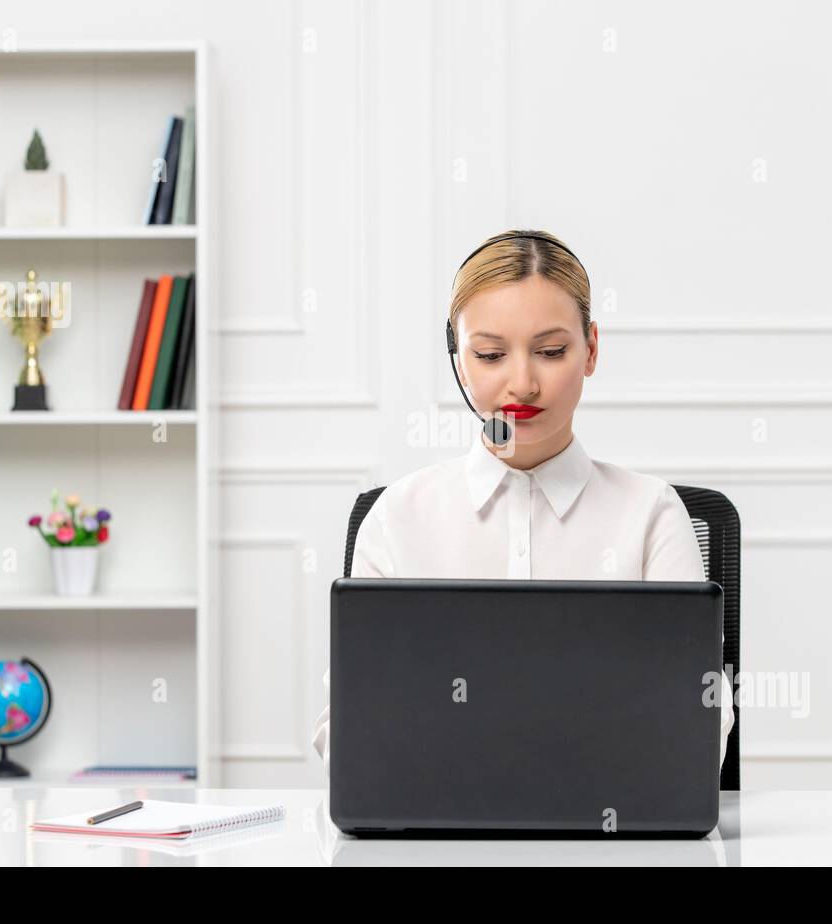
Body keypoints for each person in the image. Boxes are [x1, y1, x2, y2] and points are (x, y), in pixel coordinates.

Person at [311, 228, 734, 776]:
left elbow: (695, 725)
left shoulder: (653, 514)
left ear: (592, 350)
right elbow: (348, 732)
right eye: (489, 354)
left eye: (551, 351)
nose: (522, 383)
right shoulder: (396, 517)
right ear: (458, 361)